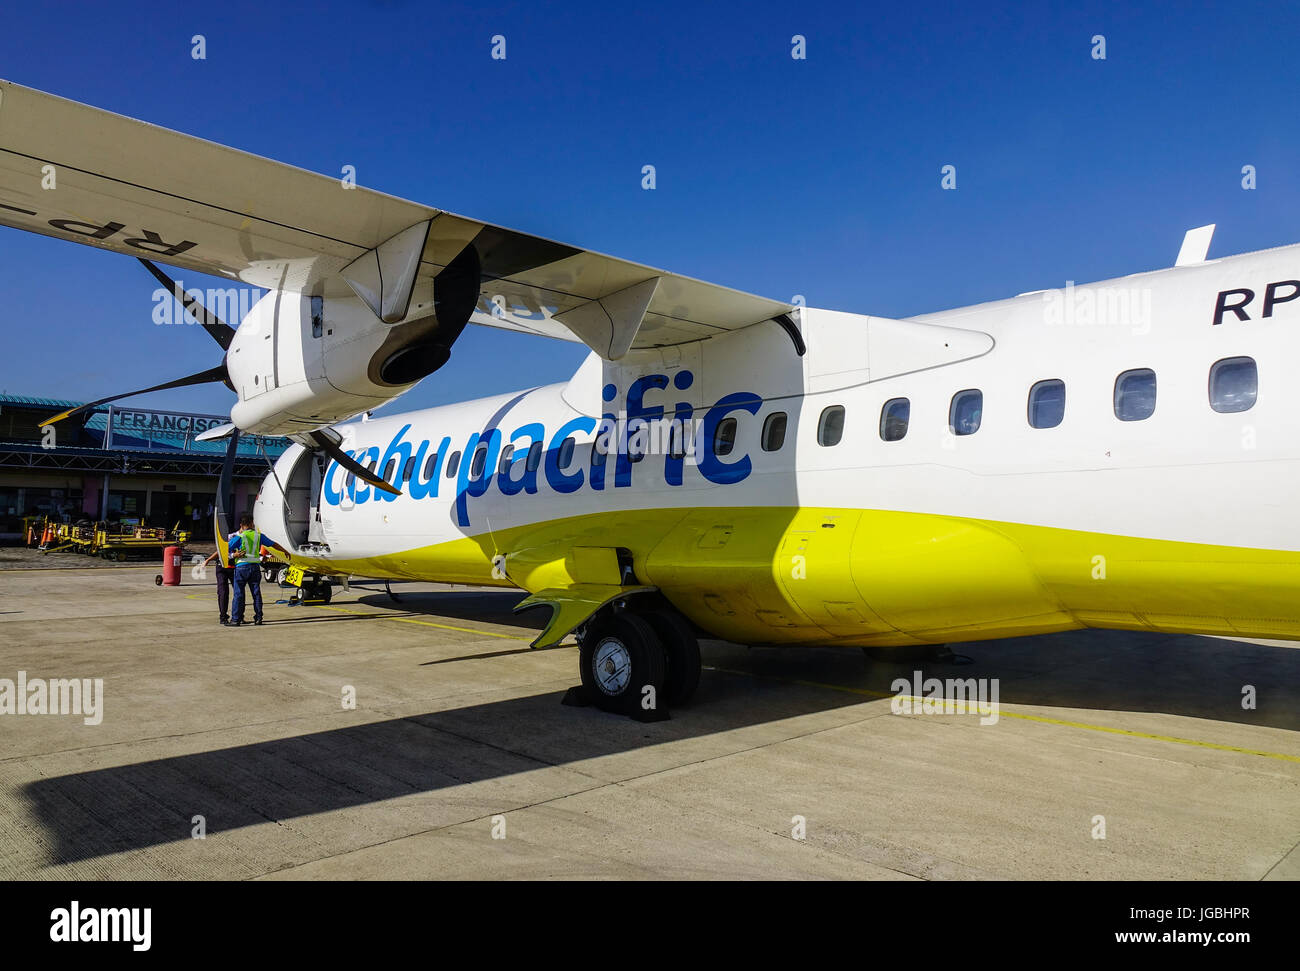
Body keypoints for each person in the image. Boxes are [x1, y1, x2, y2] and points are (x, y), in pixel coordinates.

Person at [228, 514, 290, 627]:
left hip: (241, 567)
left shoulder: (239, 537)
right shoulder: (258, 536)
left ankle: (236, 619)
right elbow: (273, 544)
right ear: (252, 523)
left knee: (238, 594)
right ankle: (258, 617)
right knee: (256, 593)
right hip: (255, 567)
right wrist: (285, 551)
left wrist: (233, 555)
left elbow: (225, 549)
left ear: (241, 525)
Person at [203, 540, 236, 626]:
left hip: (233, 567)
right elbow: (220, 550)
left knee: (237, 592)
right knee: (223, 592)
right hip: (223, 567)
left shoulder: (240, 536)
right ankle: (223, 616)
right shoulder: (233, 536)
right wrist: (209, 559)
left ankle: (237, 615)